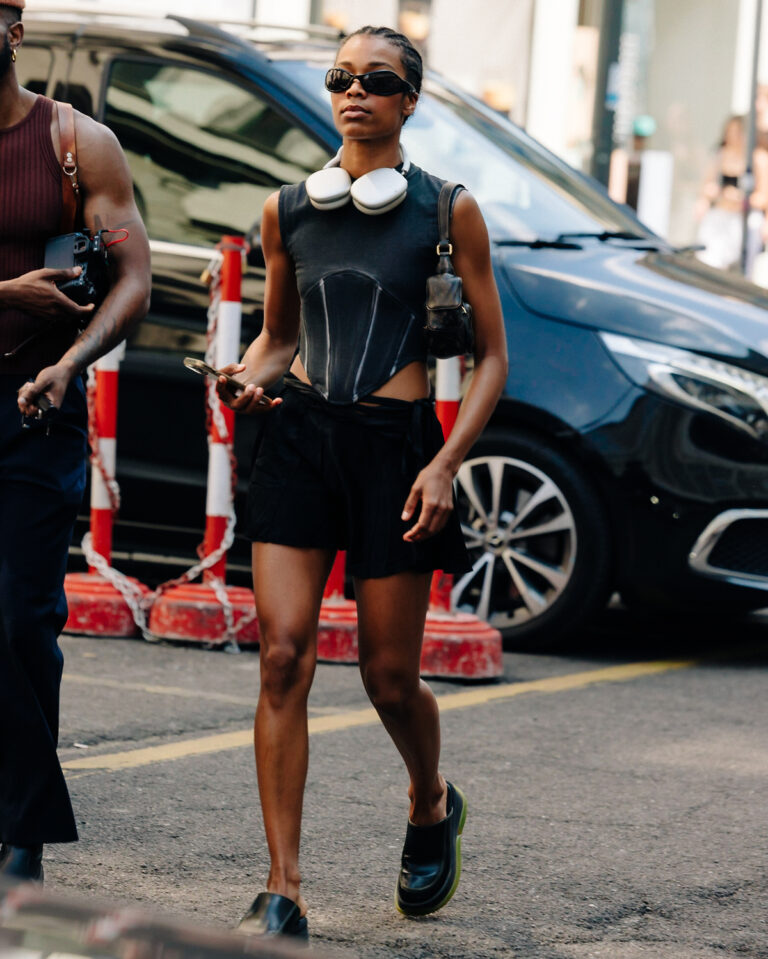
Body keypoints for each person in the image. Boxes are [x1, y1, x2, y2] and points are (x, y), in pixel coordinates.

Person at [216, 25, 507, 940]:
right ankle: (283, 885)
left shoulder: (446, 210)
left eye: (376, 81)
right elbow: (279, 338)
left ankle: (430, 800)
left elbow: (493, 356)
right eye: (340, 77)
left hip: (396, 450)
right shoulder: (287, 210)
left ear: (409, 100)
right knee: (282, 654)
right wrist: (245, 381)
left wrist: (444, 460)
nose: (355, 93)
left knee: (387, 675)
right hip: (300, 438)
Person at [0, 0, 150, 881]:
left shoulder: (76, 143)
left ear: (13, 29)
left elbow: (134, 277)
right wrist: (9, 291)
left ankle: (23, 836)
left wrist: (76, 358)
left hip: (35, 399)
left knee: (23, 616)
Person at [694, 114, 768, 272]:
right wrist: (710, 196)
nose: (733, 136)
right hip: (720, 215)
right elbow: (707, 184)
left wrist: (741, 199)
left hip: (742, 219)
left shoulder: (757, 159)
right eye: (730, 132)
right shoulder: (720, 155)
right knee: (708, 260)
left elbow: (763, 196)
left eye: (738, 132)